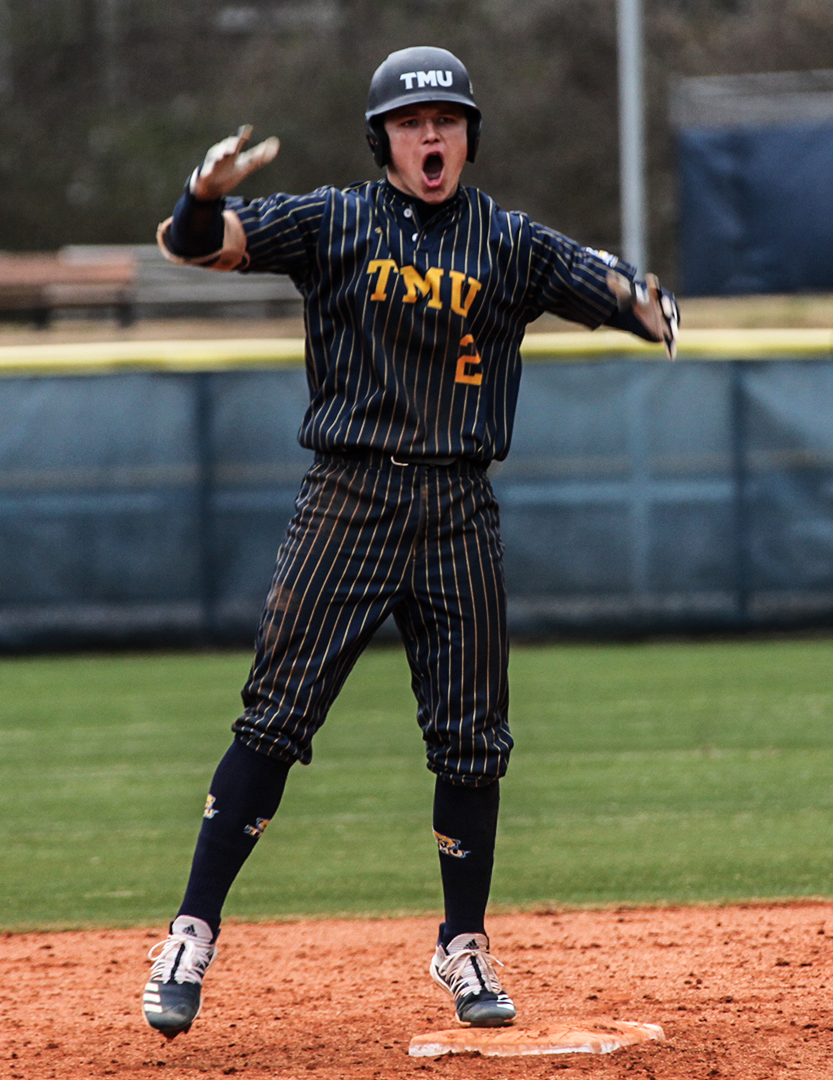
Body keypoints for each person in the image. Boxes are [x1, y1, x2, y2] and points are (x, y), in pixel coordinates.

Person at [138, 45, 678, 1040]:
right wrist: (201, 193)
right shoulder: (336, 220)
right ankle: (191, 933)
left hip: (458, 508)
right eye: (411, 121)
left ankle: (463, 945)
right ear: (383, 139)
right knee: (276, 720)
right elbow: (198, 246)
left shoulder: (506, 242)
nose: (431, 135)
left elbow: (610, 289)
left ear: (469, 134)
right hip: (348, 499)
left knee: (472, 741)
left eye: (447, 120)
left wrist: (645, 305)